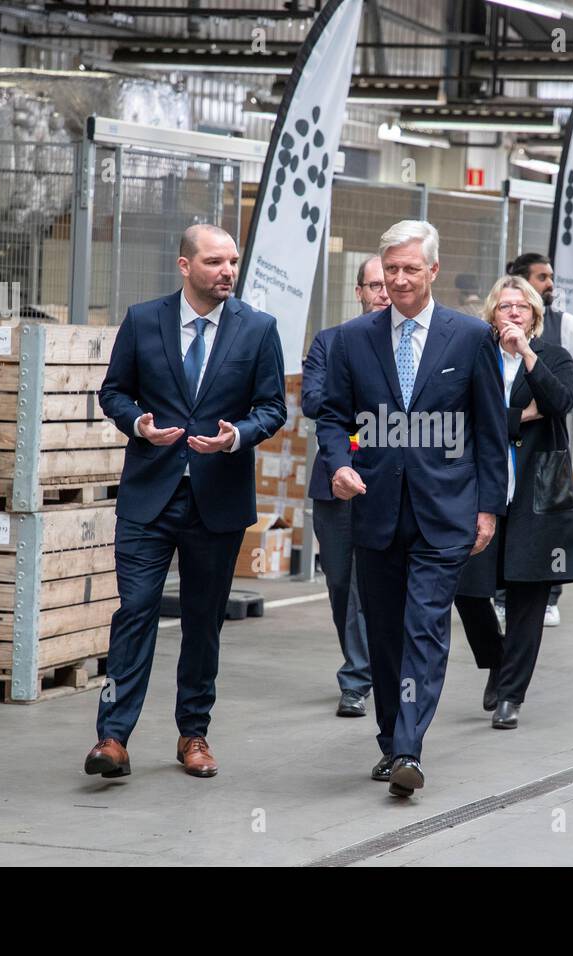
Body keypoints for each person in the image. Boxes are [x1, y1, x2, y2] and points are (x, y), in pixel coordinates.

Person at [86, 224, 286, 780]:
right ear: (184, 265)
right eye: (215, 262)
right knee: (135, 611)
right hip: (150, 495)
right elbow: (114, 391)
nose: (228, 271)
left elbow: (273, 407)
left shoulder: (258, 329)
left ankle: (193, 734)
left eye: (234, 262)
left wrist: (236, 436)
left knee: (203, 622)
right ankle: (113, 736)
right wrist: (138, 425)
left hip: (217, 501)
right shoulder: (144, 319)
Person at [316, 220, 508, 798]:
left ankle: (408, 748)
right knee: (384, 633)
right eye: (390, 270)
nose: (398, 280)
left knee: (425, 627)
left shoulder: (470, 336)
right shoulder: (353, 339)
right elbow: (331, 416)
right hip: (375, 511)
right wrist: (338, 463)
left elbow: (489, 428)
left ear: (432, 271)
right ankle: (389, 740)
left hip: (444, 511)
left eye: (409, 269)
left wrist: (489, 507)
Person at [453, 275, 573, 730]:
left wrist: (528, 356)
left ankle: (511, 694)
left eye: (523, 307)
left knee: (528, 598)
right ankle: (496, 659)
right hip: (482, 494)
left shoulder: (552, 357)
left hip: (536, 494)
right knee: (467, 588)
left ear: (535, 317)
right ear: (491, 314)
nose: (513, 313)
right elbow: (463, 416)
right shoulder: (476, 357)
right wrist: (520, 416)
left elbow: (561, 399)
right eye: (505, 306)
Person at [302, 255, 389, 718]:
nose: (382, 293)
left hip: (389, 480)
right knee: (340, 581)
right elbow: (313, 400)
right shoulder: (330, 342)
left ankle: (357, 678)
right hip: (334, 481)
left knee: (368, 584)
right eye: (373, 285)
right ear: (359, 292)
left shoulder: (407, 346)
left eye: (387, 284)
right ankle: (364, 664)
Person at [502, 252, 573, 627]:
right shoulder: (484, 349)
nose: (550, 284)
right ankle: (501, 594)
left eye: (550, 277)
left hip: (547, 450)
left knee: (544, 521)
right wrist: (521, 414)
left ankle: (548, 595)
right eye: (542, 277)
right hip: (504, 452)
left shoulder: (563, 327)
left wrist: (548, 404)